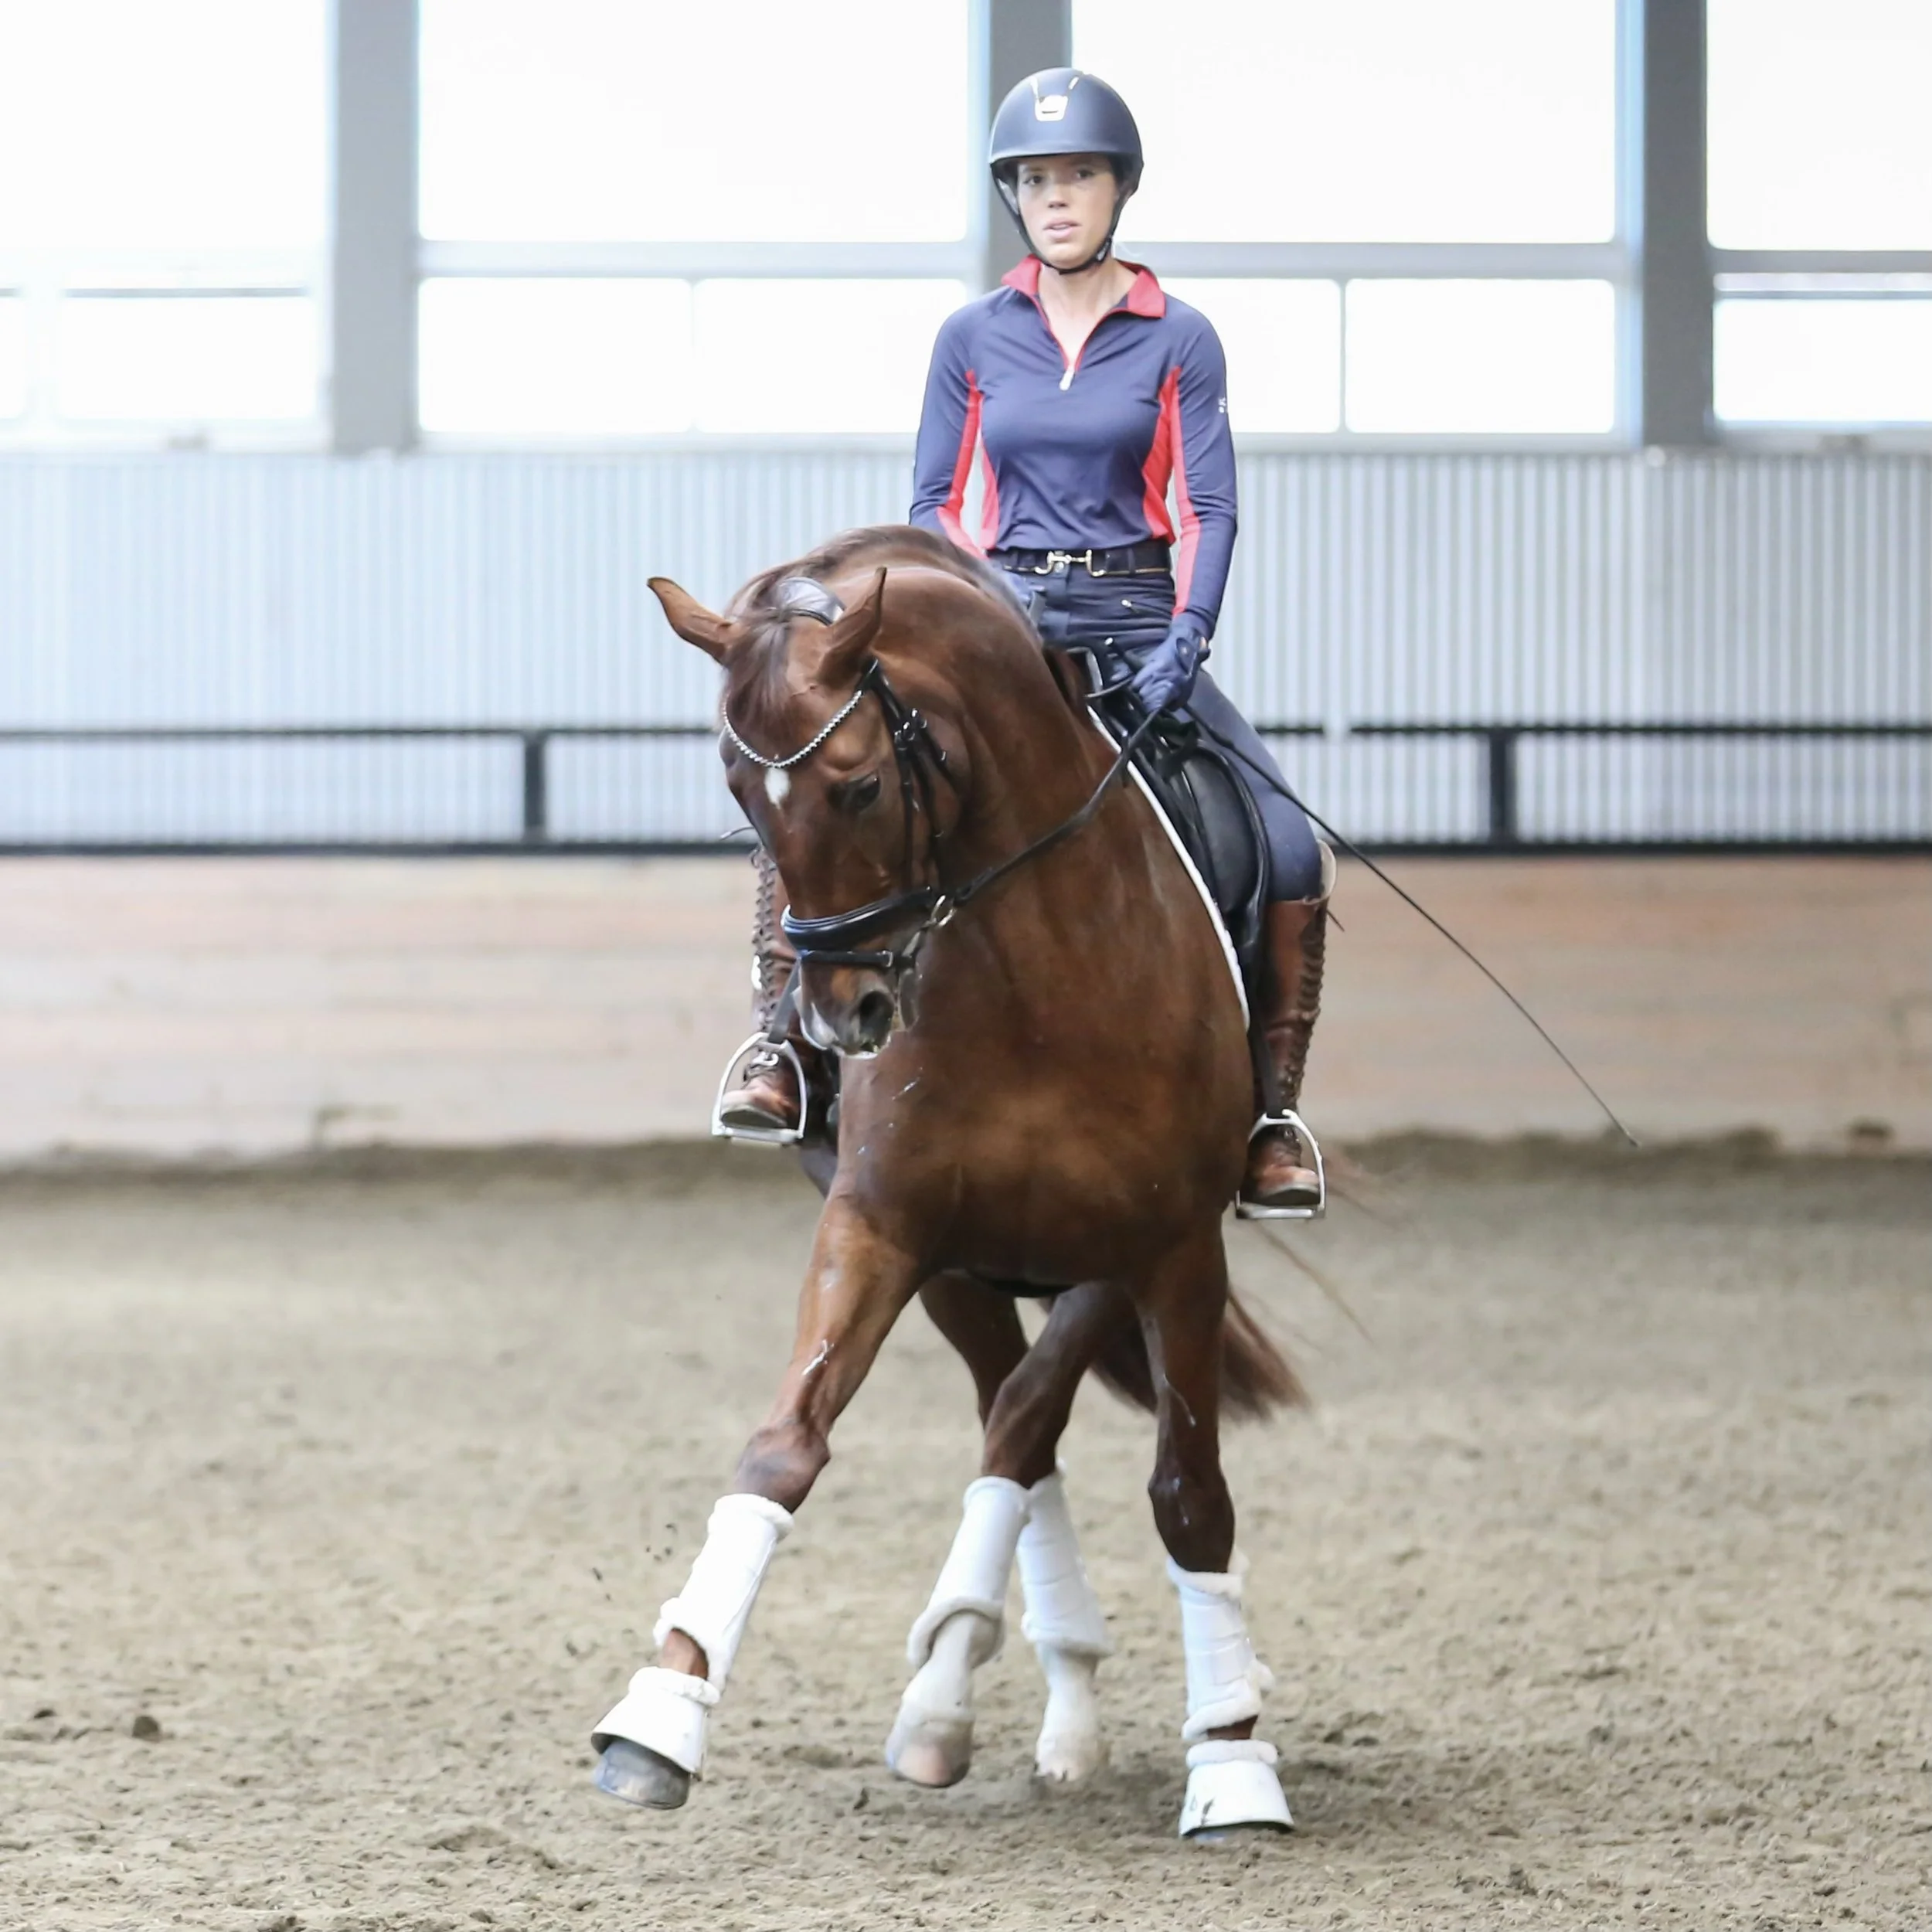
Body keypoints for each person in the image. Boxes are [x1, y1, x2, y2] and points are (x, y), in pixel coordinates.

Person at [718, 66, 1332, 1212]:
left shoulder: (1178, 337)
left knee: (1288, 845)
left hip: (1141, 620)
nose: (1058, 200)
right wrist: (985, 611)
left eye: (1080, 178)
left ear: (1118, 191)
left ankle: (1269, 1117)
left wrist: (1188, 631)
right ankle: (782, 1054)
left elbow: (1208, 505)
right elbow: (934, 503)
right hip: (1001, 629)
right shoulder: (972, 337)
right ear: (1017, 198)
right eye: (1038, 181)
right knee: (830, 789)